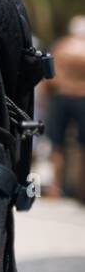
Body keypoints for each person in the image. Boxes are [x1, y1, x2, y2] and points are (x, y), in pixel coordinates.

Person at [46, 16, 85, 200]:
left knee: (57, 144)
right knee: (82, 145)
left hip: (61, 95)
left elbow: (50, 73)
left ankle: (55, 186)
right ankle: (81, 189)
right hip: (82, 97)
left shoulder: (62, 46)